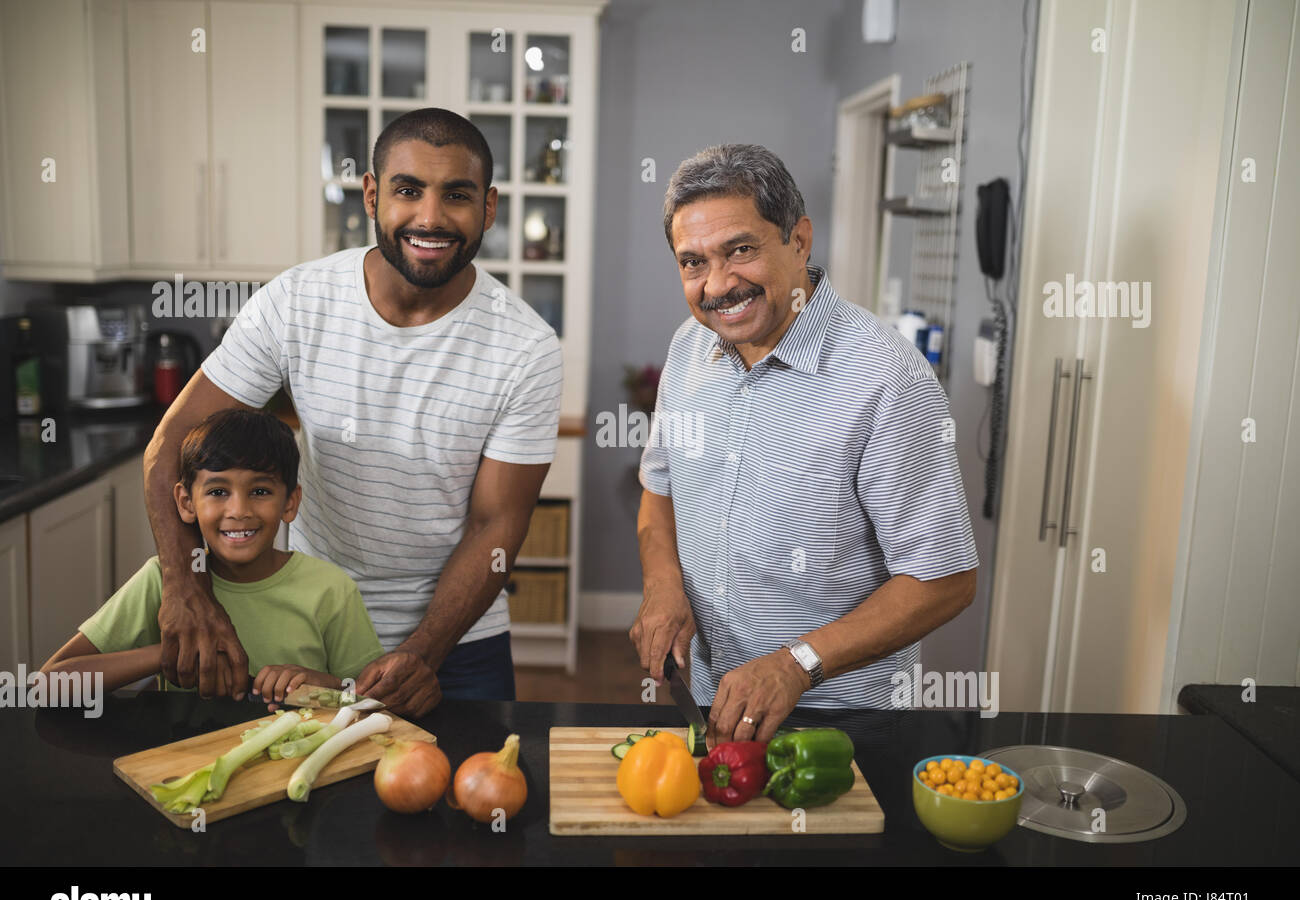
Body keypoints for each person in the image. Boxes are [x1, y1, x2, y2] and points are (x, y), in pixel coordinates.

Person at [143, 108, 561, 717]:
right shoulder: (296, 302)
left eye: (458, 196)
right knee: (304, 805)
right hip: (305, 622)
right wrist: (185, 586)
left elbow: (495, 527)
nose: (431, 218)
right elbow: (171, 444)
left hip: (459, 642)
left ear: (489, 209)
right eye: (408, 190)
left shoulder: (527, 347)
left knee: (468, 801)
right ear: (372, 195)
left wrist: (425, 649)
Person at [630, 144, 979, 746]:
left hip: (845, 723)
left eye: (741, 250)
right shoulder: (688, 348)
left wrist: (798, 664)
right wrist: (663, 584)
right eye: (693, 262)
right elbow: (658, 492)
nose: (718, 285)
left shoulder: (886, 376)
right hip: (714, 704)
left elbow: (944, 579)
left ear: (799, 239)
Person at [42, 409, 383, 700]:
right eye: (218, 491)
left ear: (290, 502)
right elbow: (47, 686)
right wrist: (167, 653)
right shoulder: (161, 580)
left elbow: (369, 696)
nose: (238, 510)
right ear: (186, 502)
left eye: (260, 491)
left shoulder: (331, 590)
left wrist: (324, 686)